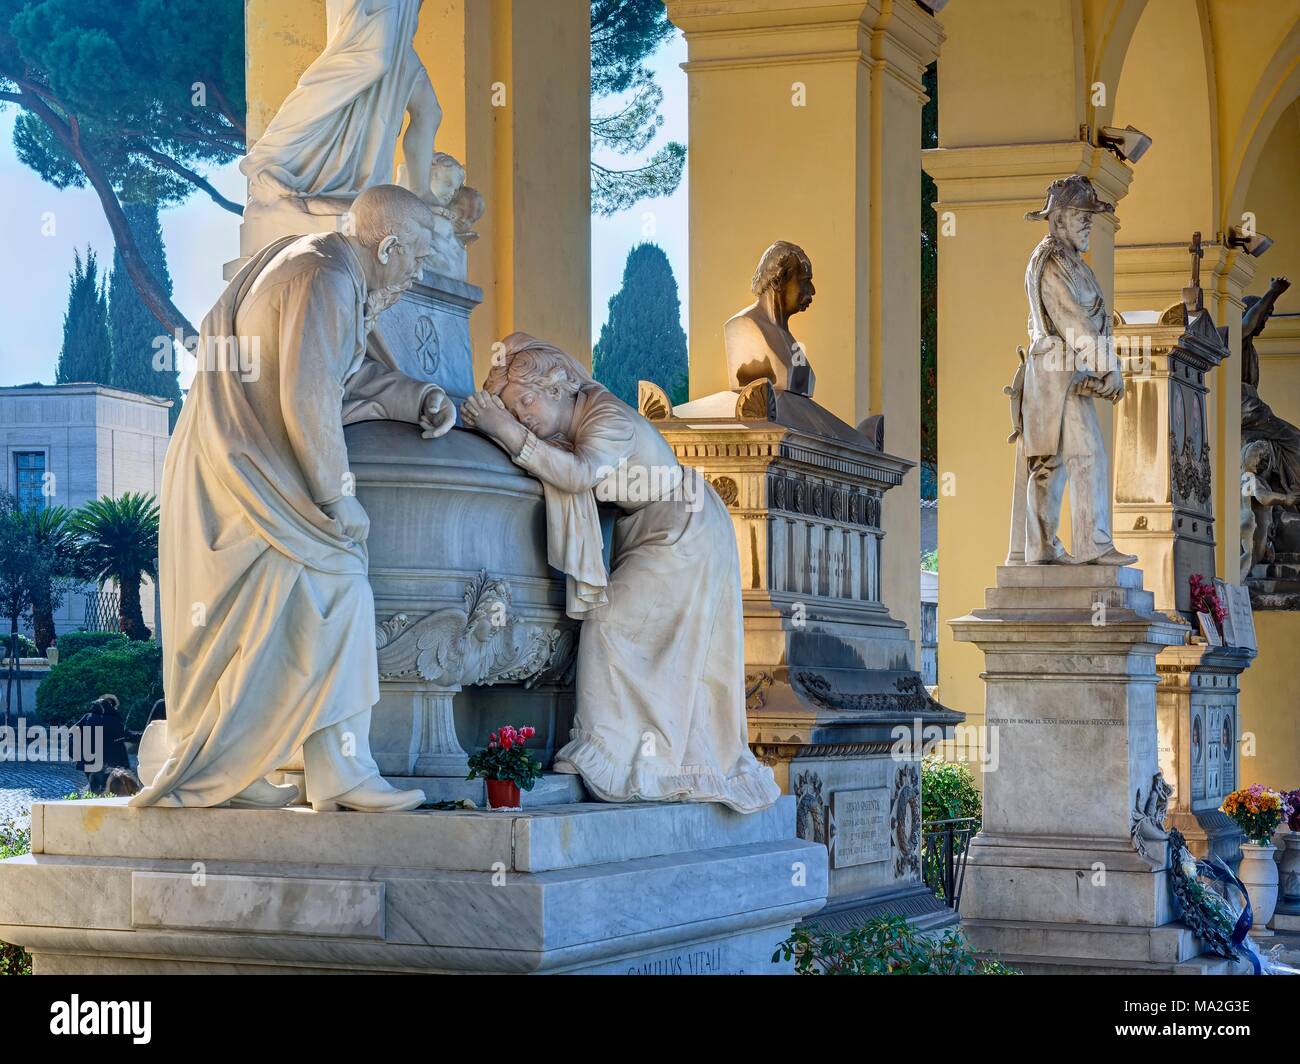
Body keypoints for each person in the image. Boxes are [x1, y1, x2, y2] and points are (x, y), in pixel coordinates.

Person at [132, 184, 455, 813]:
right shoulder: (326, 277)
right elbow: (307, 399)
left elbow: (336, 371)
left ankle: (237, 766)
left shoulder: (317, 266)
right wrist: (340, 499)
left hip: (232, 471)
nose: (415, 276)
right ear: (387, 246)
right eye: (415, 260)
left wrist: (414, 396)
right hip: (246, 479)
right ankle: (337, 769)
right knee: (341, 583)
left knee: (259, 623)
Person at [461, 333, 780, 814]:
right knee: (662, 647)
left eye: (525, 402)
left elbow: (577, 474)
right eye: (513, 411)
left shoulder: (605, 417)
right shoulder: (577, 419)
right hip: (659, 525)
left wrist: (503, 431)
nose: (522, 416)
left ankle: (610, 756)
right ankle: (642, 755)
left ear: (558, 385)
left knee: (610, 625)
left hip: (681, 529)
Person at [1006, 175, 1138, 566]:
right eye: (1082, 216)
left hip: (1069, 375)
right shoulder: (1051, 262)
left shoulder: (1074, 263)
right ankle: (1082, 546)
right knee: (1071, 457)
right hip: (1056, 375)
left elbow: (1095, 322)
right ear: (1059, 219)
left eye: (1090, 218)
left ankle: (1050, 548)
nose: (1088, 225)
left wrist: (1104, 366)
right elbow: (1073, 320)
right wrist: (1107, 366)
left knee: (1060, 461)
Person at [71, 695, 135, 795]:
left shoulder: (88, 717)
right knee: (113, 789)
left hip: (90, 761)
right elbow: (127, 735)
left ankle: (92, 804)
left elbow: (71, 734)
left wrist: (76, 754)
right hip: (112, 762)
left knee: (94, 789)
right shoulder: (114, 719)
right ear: (112, 706)